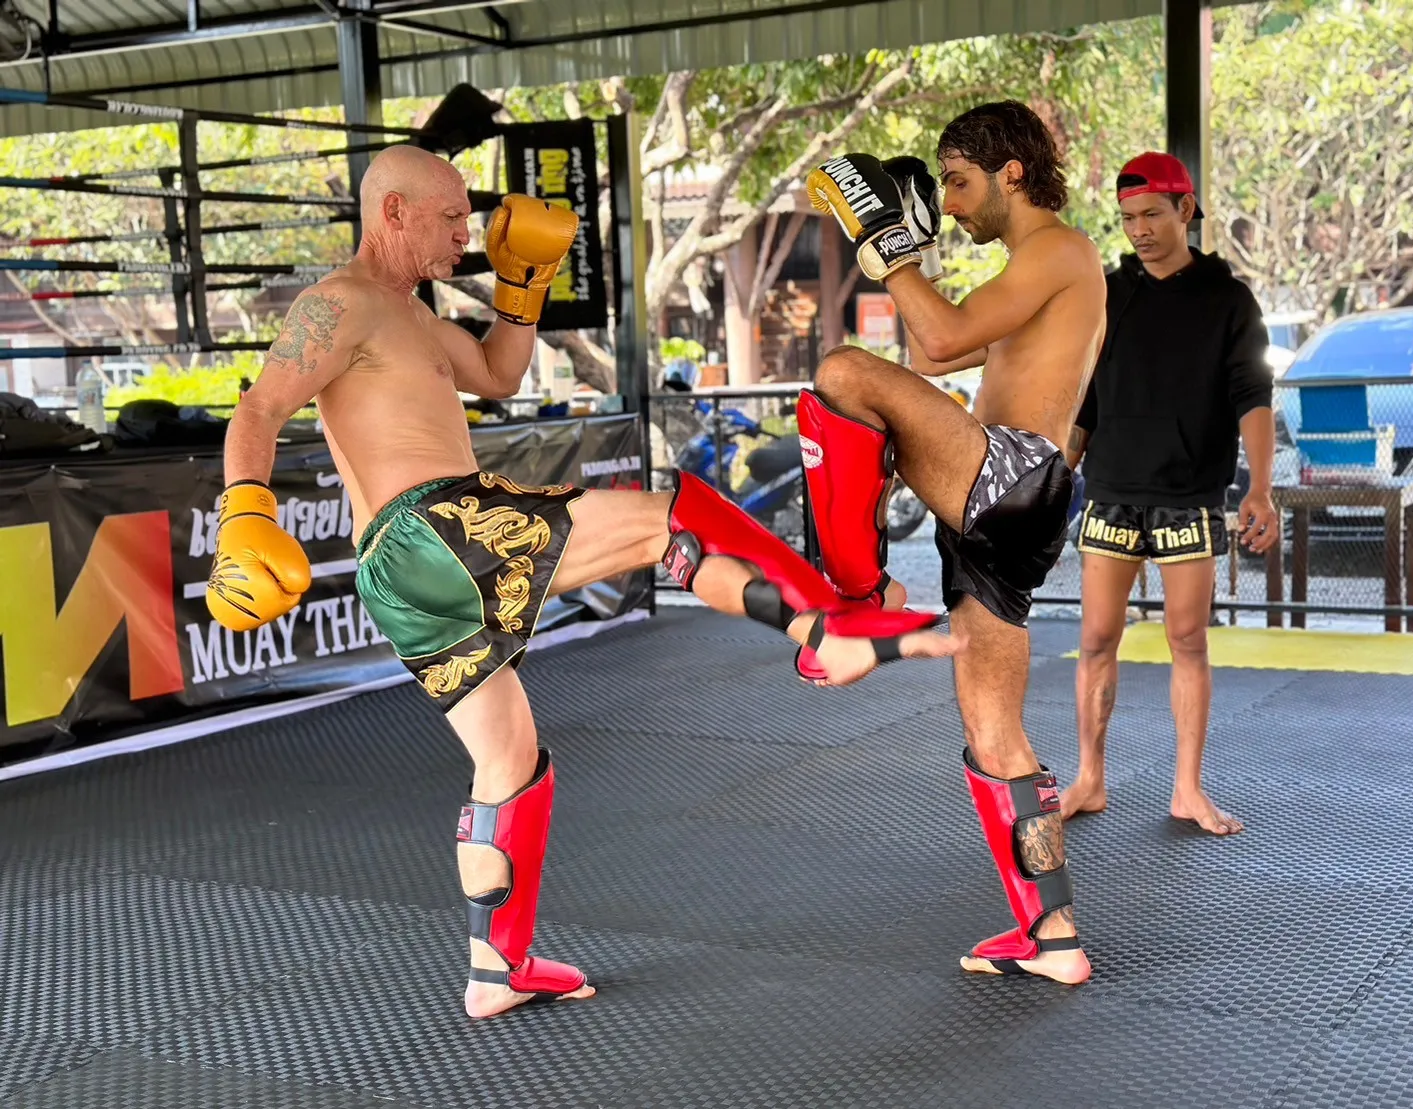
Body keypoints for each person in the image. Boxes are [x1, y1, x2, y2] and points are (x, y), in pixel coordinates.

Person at [204, 144, 963, 1020]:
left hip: (406, 578)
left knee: (510, 761)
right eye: (450, 218)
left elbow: (498, 372)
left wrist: (521, 291)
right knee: (671, 508)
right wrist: (245, 510)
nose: (467, 234)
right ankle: (826, 623)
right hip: (437, 527)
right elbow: (259, 407)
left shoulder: (412, 317)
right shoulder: (338, 304)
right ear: (394, 214)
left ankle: (497, 966)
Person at [801, 100, 1104, 985]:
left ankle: (852, 602)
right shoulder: (1034, 269)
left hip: (1011, 479)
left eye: (962, 183)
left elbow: (926, 345)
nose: (955, 203)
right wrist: (912, 266)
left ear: (1013, 171)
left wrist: (884, 245)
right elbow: (942, 359)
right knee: (992, 734)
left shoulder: (1059, 248)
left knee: (841, 373)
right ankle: (1054, 936)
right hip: (1005, 501)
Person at [1058, 151, 1277, 837]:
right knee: (1095, 637)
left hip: (1187, 494)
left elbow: (1252, 396)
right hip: (1112, 490)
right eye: (1127, 218)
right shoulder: (1105, 293)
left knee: (1186, 639)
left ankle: (1186, 788)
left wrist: (1261, 490)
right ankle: (1089, 778)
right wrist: (1055, 478)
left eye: (1151, 213)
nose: (1139, 229)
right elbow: (1084, 399)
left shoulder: (1228, 299)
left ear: (1185, 209)